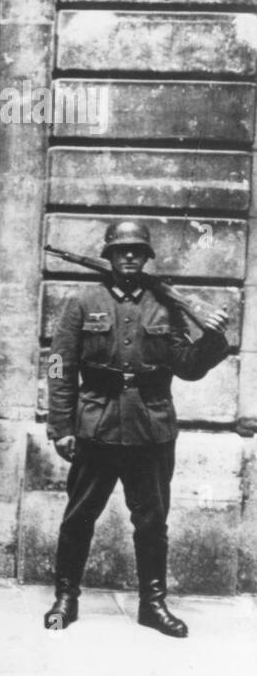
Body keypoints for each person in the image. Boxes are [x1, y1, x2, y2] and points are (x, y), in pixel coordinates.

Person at [45, 220, 230, 637]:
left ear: (147, 258)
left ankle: (153, 604)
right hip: (96, 425)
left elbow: (188, 368)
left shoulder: (165, 305)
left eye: (137, 251)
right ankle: (65, 598)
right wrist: (61, 428)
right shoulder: (82, 301)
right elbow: (60, 368)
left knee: (151, 521)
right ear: (109, 255)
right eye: (121, 250)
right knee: (79, 517)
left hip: (151, 428)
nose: (129, 256)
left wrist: (213, 337)